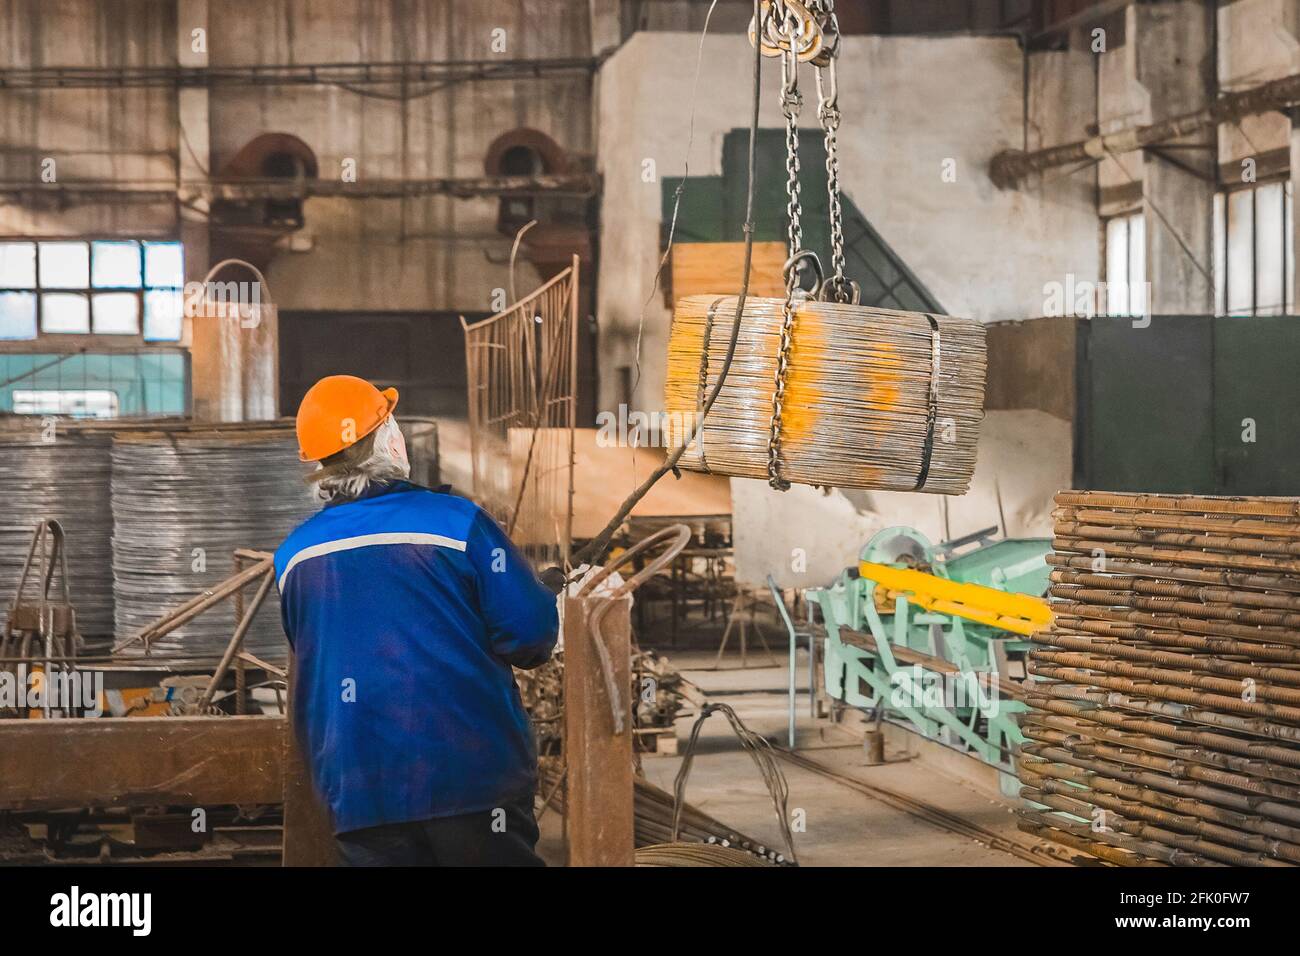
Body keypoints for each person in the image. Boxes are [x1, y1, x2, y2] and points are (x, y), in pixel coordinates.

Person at [275, 374, 559, 866]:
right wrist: (545, 595)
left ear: (320, 465)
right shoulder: (457, 523)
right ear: (389, 440)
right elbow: (530, 636)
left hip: (360, 790)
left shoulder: (293, 556)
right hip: (472, 780)